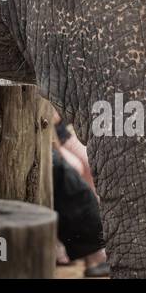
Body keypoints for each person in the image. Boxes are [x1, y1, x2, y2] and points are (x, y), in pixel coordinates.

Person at [51, 112, 109, 277]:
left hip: (60, 130)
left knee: (93, 163)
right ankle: (91, 252)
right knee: (74, 168)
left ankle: (103, 232)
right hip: (46, 132)